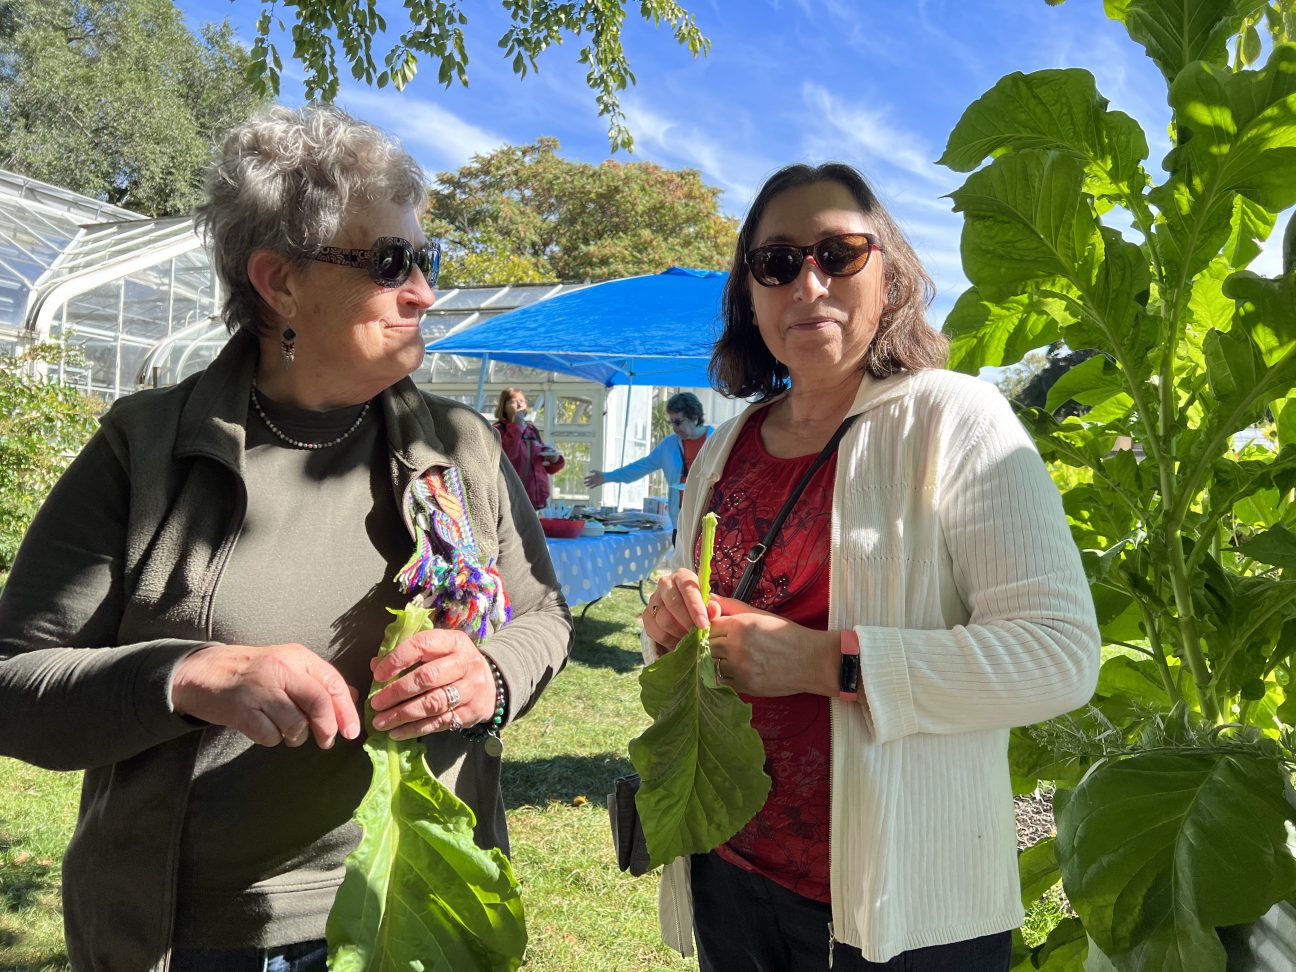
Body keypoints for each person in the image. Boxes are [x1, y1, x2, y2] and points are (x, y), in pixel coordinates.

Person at [0, 105, 572, 972]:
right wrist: (185, 674)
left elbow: (545, 618)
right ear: (279, 281)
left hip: (411, 907)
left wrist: (489, 676)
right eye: (390, 262)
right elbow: (13, 683)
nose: (423, 291)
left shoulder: (458, 449)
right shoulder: (146, 450)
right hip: (196, 940)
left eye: (426, 259)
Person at [639, 162, 1099, 971]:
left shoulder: (956, 418)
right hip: (731, 872)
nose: (807, 281)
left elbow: (1059, 655)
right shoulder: (723, 449)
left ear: (889, 275)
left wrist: (827, 663)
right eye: (776, 262)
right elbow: (690, 617)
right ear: (749, 293)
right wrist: (671, 619)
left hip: (903, 907)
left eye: (839, 253)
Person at [583, 391, 713, 526]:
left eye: (678, 422)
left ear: (695, 418)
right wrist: (606, 477)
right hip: (680, 524)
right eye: (672, 423)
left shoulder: (717, 442)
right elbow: (641, 467)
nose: (675, 428)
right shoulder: (668, 446)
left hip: (710, 520)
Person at [493, 387, 565, 509]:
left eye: (522, 400)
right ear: (503, 406)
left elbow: (542, 463)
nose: (519, 404)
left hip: (537, 500)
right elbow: (508, 456)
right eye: (514, 401)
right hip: (513, 501)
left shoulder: (531, 430)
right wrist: (516, 425)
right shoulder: (498, 430)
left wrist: (555, 460)